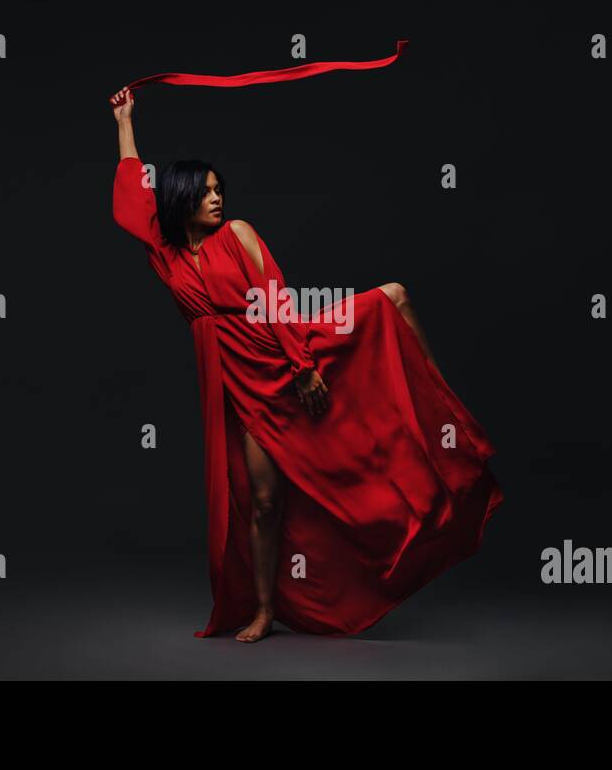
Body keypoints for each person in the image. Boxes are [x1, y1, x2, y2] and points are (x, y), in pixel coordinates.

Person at [109, 86, 503, 642]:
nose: (218, 199)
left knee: (392, 296)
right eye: (207, 192)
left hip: (286, 349)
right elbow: (133, 195)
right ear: (181, 200)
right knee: (265, 502)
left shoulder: (237, 234)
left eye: (220, 189)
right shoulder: (165, 252)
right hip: (238, 384)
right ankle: (266, 611)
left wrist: (301, 366)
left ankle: (445, 417)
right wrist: (126, 122)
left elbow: (274, 296)